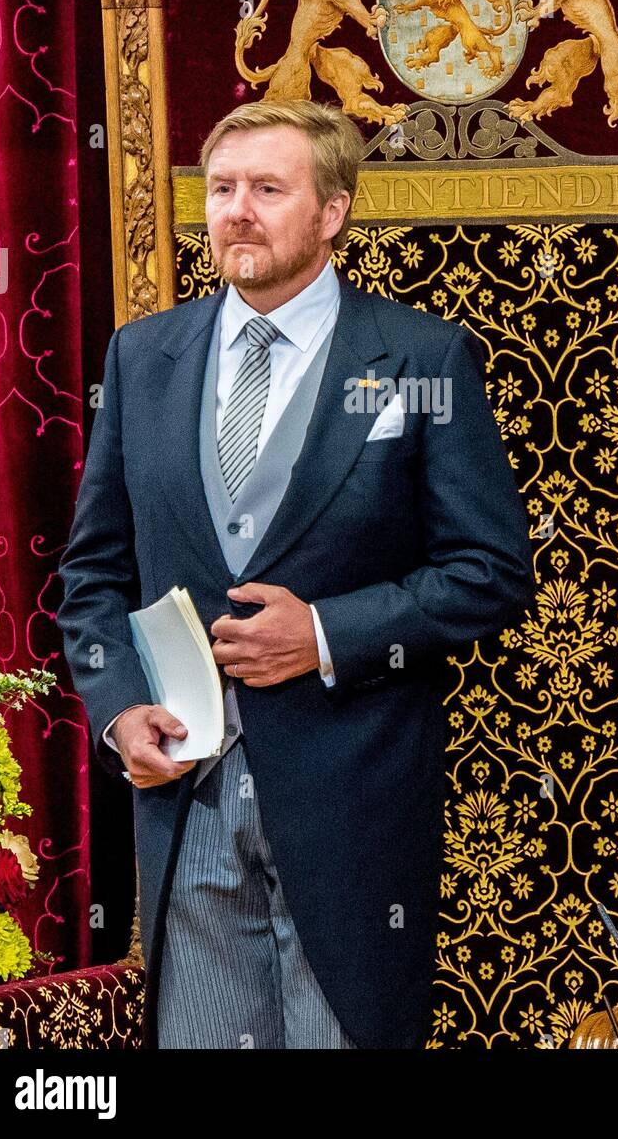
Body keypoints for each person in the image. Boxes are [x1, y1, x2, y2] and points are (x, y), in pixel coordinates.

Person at [56, 98, 536, 1049]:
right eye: (223, 188)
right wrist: (116, 709)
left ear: (332, 213)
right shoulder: (142, 357)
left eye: (269, 189)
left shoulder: (422, 358)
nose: (237, 210)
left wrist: (320, 634)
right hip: (186, 800)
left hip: (352, 808)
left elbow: (491, 574)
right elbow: (92, 577)